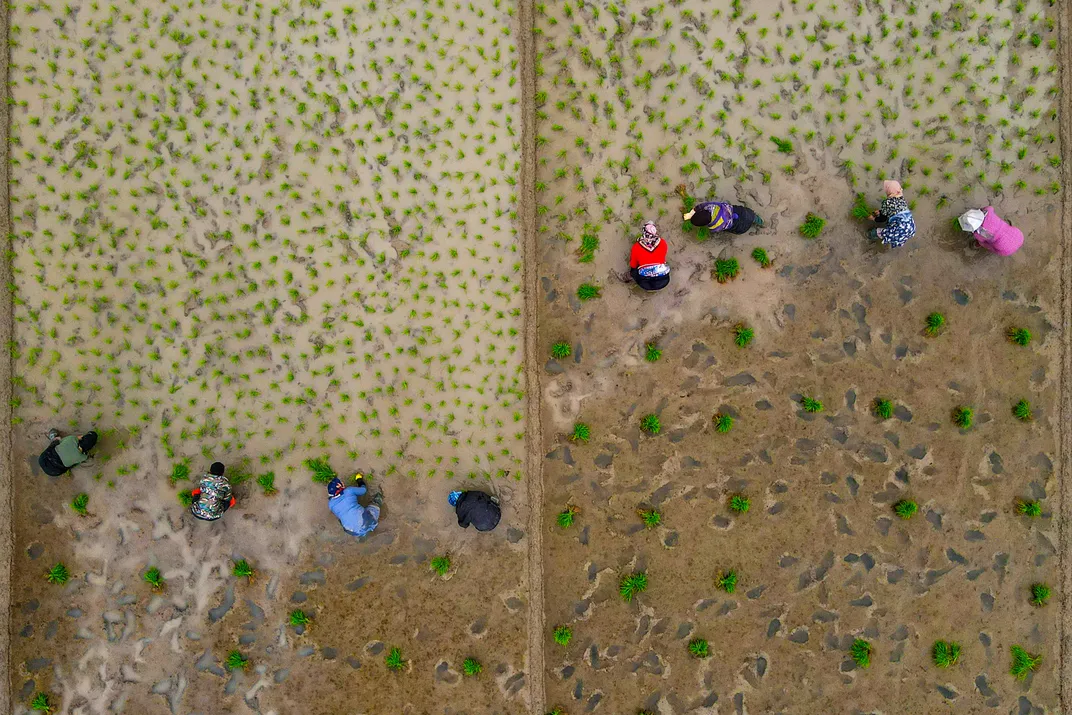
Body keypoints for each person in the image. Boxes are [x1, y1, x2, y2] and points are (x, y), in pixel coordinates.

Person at [866, 180, 916, 248]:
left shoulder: (887, 202)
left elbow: (883, 218)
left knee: (882, 232)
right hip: (910, 226)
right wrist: (880, 212)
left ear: (888, 193)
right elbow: (894, 210)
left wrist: (874, 218)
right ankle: (897, 237)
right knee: (901, 234)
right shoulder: (902, 200)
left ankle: (872, 234)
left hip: (899, 228)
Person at [959, 207, 1023, 256]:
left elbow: (982, 241)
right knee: (1003, 230)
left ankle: (978, 245)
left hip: (1005, 249)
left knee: (984, 243)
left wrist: (981, 243)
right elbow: (990, 207)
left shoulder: (978, 233)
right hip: (1019, 236)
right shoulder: (988, 211)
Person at [628, 222, 671, 291]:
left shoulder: (636, 247)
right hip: (663, 281)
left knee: (633, 271)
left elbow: (633, 265)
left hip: (645, 283)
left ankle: (630, 279)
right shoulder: (663, 243)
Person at [683, 201, 764, 234]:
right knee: (752, 216)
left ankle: (755, 222)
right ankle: (760, 221)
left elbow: (717, 230)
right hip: (742, 212)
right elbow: (702, 205)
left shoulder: (714, 227)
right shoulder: (712, 207)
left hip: (740, 227)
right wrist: (692, 212)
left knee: (734, 228)